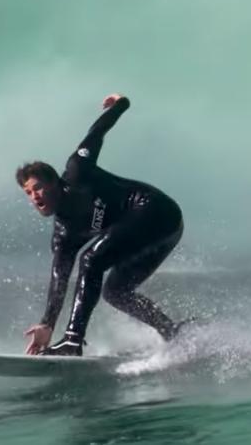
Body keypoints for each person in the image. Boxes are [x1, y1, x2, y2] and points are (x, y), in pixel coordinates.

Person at [15, 93, 185, 356]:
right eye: (28, 193)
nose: (34, 196)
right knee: (116, 292)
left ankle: (73, 341)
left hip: (158, 211)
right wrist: (47, 324)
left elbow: (98, 132)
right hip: (156, 235)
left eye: (38, 188)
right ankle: (172, 332)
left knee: (90, 260)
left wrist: (121, 104)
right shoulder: (64, 235)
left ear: (54, 183)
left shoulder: (77, 170)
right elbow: (59, 280)